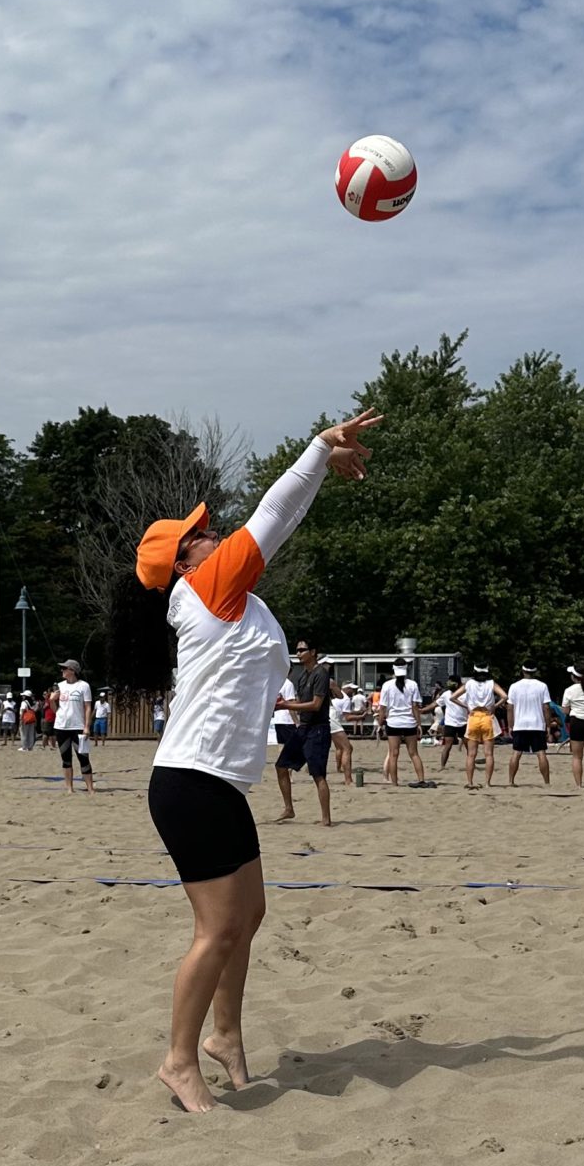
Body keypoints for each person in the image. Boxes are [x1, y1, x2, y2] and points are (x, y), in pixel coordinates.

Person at [137, 410, 380, 1112]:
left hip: (215, 782)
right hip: (188, 782)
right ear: (184, 561)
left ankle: (226, 1037)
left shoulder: (231, 597)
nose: (214, 532)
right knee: (216, 929)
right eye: (201, 534)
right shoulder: (205, 589)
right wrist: (318, 447)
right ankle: (179, 1061)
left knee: (251, 915)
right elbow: (272, 516)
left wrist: (320, 474)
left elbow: (282, 522)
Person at [274, 637, 333, 824]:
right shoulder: (302, 676)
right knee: (281, 766)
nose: (298, 653)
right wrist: (283, 705)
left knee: (318, 775)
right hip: (304, 728)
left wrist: (285, 706)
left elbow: (316, 705)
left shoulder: (320, 674)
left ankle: (326, 818)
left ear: (313, 652)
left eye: (302, 650)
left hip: (318, 730)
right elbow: (300, 702)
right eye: (297, 650)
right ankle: (289, 808)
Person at [505, 661, 551, 786]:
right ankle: (546, 782)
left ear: (523, 670)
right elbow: (546, 707)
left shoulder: (514, 686)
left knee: (517, 752)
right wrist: (548, 725)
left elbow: (510, 707)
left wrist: (510, 726)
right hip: (537, 723)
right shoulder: (542, 686)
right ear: (535, 671)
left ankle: (511, 781)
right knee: (541, 752)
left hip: (520, 724)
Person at [378, 664, 425, 786]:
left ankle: (394, 782)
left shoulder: (387, 685)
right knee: (414, 753)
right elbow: (415, 706)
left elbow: (382, 707)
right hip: (409, 722)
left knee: (393, 754)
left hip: (393, 722)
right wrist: (419, 723)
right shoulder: (412, 684)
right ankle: (421, 779)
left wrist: (379, 723)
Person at [53, 661, 94, 792]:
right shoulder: (60, 686)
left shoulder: (83, 686)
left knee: (83, 758)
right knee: (66, 759)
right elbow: (55, 710)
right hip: (61, 727)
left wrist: (87, 726)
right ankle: (69, 788)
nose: (62, 670)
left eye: (64, 668)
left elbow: (88, 707)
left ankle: (90, 788)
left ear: (73, 670)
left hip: (78, 726)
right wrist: (51, 700)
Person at [461, 666, 505, 787]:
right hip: (487, 717)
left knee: (471, 754)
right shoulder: (491, 683)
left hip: (474, 716)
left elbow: (453, 697)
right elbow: (505, 696)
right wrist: (495, 706)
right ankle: (487, 783)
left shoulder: (469, 683)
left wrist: (466, 706)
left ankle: (470, 782)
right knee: (489, 754)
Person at [433, 676, 467, 767]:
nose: (449, 683)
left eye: (451, 682)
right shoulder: (446, 694)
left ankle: (471, 763)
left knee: (468, 746)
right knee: (448, 745)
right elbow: (435, 703)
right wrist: (423, 710)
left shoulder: (465, 693)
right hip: (450, 723)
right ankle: (442, 766)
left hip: (463, 722)